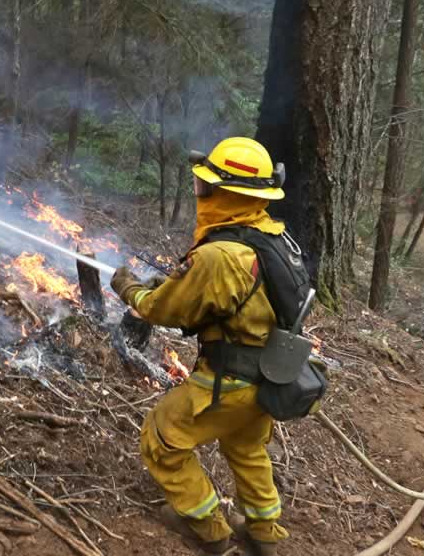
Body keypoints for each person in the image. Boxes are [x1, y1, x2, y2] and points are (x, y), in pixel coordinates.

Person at [110, 137, 295, 555]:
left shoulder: (220, 256)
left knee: (161, 436)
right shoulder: (274, 240)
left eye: (205, 185)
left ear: (225, 192)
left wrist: (130, 289)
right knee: (246, 448)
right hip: (269, 380)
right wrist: (184, 287)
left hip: (230, 381)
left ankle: (208, 528)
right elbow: (245, 301)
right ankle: (264, 532)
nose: (200, 193)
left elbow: (161, 309)